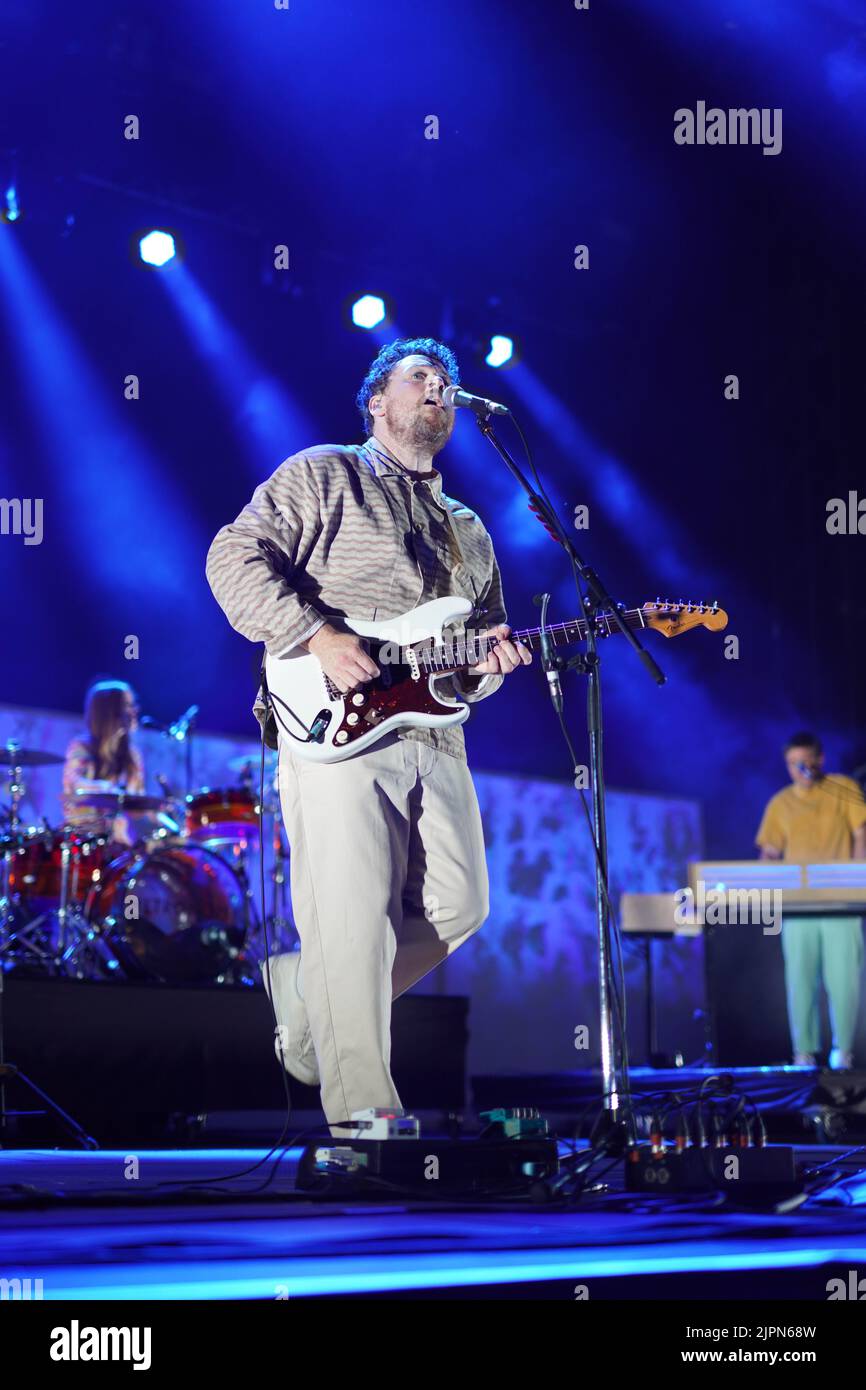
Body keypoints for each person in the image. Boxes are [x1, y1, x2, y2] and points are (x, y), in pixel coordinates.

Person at [206, 337, 532, 1134]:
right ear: (377, 404)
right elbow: (232, 556)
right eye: (419, 376)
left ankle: (308, 993)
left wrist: (496, 663)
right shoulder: (324, 473)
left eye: (446, 380)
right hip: (331, 723)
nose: (439, 387)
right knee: (352, 917)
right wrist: (317, 635)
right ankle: (362, 1116)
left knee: (461, 904)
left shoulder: (470, 528)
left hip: (434, 734)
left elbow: (472, 650)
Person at [756, 730, 866, 1069]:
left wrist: (858, 880)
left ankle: (842, 1053)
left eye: (804, 762)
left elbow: (861, 834)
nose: (798, 769)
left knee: (844, 979)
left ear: (819, 760)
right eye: (791, 764)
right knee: (800, 981)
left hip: (840, 903)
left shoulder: (844, 788)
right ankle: (803, 1054)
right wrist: (760, 883)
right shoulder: (780, 803)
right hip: (798, 905)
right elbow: (769, 852)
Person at [62, 680, 145, 846]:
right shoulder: (82, 747)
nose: (135, 710)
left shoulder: (132, 756)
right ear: (110, 711)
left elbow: (138, 804)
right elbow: (74, 785)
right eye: (128, 705)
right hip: (84, 840)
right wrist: (110, 790)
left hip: (120, 841)